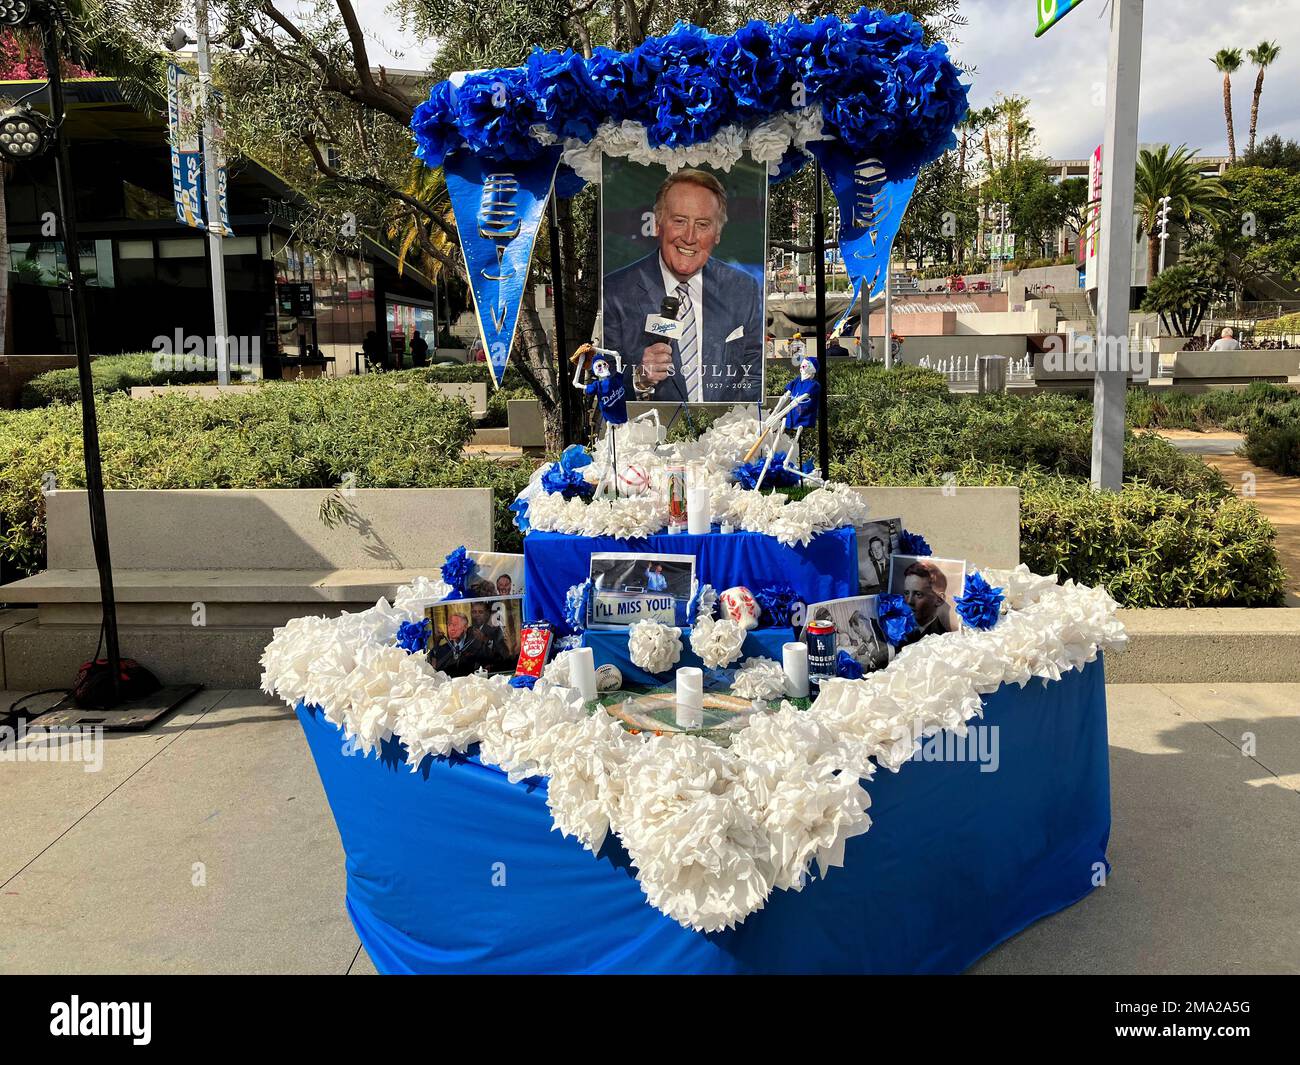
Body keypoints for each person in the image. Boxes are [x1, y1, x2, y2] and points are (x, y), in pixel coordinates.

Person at [603, 169, 763, 404]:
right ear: (658, 224)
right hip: (649, 433)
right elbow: (602, 379)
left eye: (702, 224)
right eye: (679, 221)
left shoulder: (743, 288)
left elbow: (754, 373)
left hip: (724, 434)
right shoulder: (616, 291)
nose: (689, 237)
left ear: (717, 233)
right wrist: (638, 379)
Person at [900, 560, 957, 643]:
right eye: (906, 593)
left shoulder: (944, 639)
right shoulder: (899, 630)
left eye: (918, 594)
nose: (909, 601)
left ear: (939, 599)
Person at [468, 600, 511, 670]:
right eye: (474, 612)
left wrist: (486, 640)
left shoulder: (495, 631)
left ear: (487, 614)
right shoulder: (468, 630)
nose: (477, 615)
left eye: (480, 612)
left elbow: (504, 654)